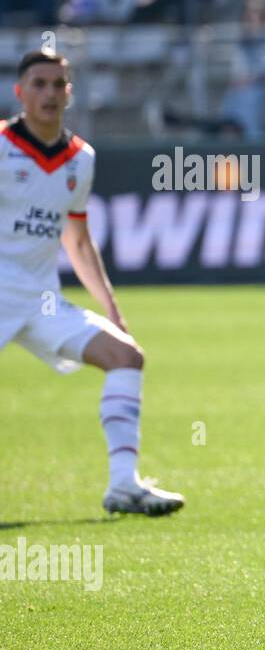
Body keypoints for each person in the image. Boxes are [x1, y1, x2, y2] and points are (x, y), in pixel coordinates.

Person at [0, 52, 184, 515]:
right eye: (38, 84)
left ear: (70, 93)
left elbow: (78, 242)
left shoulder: (80, 159)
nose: (49, 93)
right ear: (19, 93)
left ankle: (124, 486)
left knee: (126, 356)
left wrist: (111, 309)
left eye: (58, 84)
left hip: (41, 301)